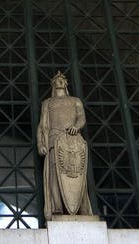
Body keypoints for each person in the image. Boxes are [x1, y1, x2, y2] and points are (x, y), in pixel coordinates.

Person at [36, 72, 92, 221]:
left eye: (62, 80)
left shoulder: (75, 101)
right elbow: (42, 125)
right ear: (53, 84)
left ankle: (81, 208)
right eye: (57, 80)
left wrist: (76, 126)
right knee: (55, 174)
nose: (60, 82)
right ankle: (57, 207)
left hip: (73, 140)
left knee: (77, 174)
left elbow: (81, 117)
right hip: (55, 140)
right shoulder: (47, 103)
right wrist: (41, 143)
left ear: (66, 84)